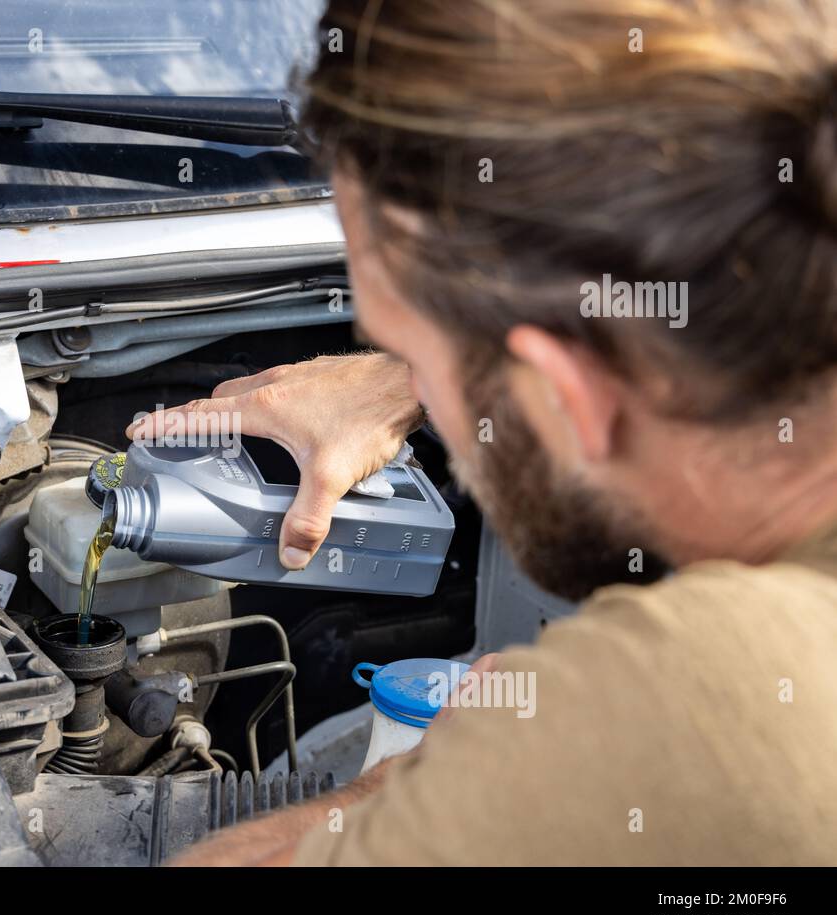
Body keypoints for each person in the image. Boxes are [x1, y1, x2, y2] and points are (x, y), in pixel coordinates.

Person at [128, 0, 837, 865]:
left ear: (565, 391)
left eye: (405, 352)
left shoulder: (706, 699)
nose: (414, 397)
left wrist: (441, 779)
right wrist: (413, 376)